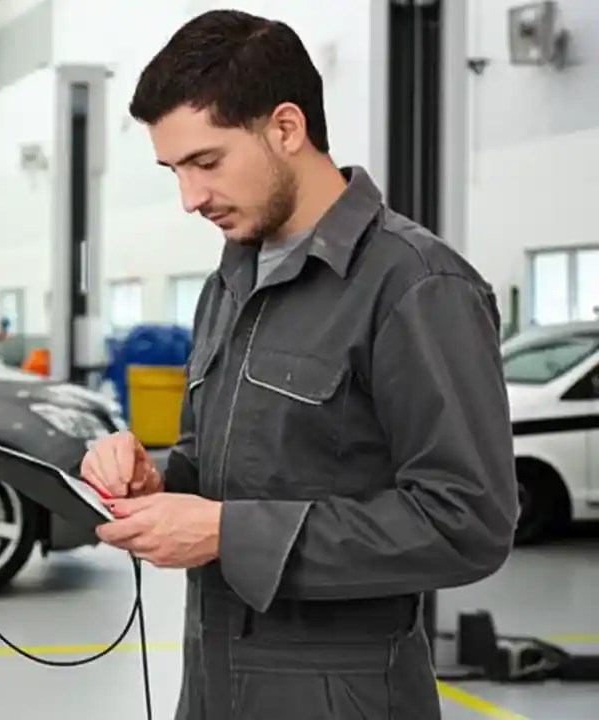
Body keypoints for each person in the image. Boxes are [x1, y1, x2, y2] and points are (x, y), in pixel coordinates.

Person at [81, 9, 518, 720]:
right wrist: (158, 478)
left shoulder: (415, 286)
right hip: (213, 680)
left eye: (206, 162)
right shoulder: (229, 283)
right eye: (174, 170)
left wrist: (226, 533)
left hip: (342, 696)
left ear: (286, 128)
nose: (189, 199)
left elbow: (468, 523)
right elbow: (229, 462)